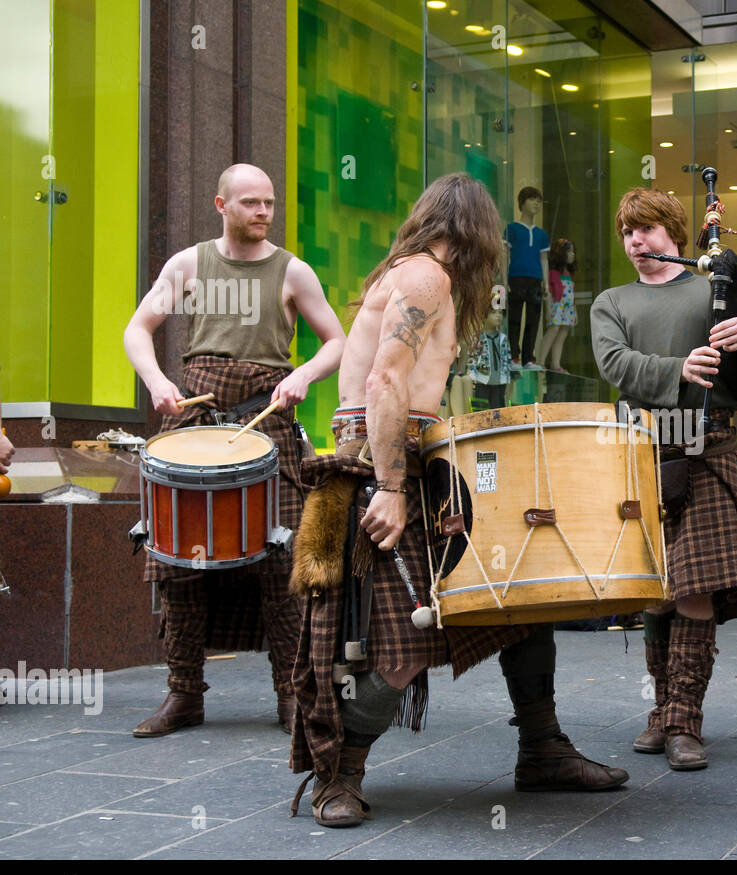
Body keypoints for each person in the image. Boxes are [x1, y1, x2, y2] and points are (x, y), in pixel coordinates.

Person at [289, 173, 626, 829]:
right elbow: (387, 378)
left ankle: (542, 748)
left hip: (412, 460)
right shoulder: (426, 280)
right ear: (476, 232)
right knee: (397, 643)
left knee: (516, 602)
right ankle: (339, 772)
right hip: (382, 466)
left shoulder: (410, 271)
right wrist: (389, 488)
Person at [123, 163, 345, 737]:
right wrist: (157, 383)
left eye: (269, 202)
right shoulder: (189, 264)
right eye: (251, 202)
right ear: (221, 205)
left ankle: (293, 698)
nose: (264, 212)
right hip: (195, 428)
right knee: (180, 564)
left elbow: (336, 341)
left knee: (281, 567)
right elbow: (137, 329)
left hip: (266, 427)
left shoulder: (294, 271)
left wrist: (304, 376)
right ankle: (184, 696)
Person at [590, 188, 737, 770]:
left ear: (675, 232)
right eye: (628, 233)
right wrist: (677, 368)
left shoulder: (714, 285)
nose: (636, 242)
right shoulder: (611, 301)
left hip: (707, 446)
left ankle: (684, 720)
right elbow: (614, 363)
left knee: (695, 585)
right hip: (639, 454)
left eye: (647, 229)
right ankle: (662, 710)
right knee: (657, 590)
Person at [503, 186, 549, 370]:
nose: (536, 203)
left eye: (538, 200)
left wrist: (545, 281)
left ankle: (529, 358)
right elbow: (504, 254)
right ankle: (513, 356)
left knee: (533, 319)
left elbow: (544, 259)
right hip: (515, 277)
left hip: (535, 279)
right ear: (522, 203)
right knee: (514, 318)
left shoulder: (541, 234)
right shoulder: (512, 229)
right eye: (532, 199)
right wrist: (504, 280)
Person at [534, 238, 576, 372]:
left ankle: (555, 364)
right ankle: (540, 361)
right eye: (569, 252)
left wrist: (574, 310)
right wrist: (548, 308)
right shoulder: (552, 274)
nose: (572, 255)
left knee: (563, 332)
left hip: (567, 307)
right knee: (554, 329)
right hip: (557, 305)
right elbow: (548, 293)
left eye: (573, 252)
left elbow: (571, 294)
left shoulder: (568, 274)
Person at [466, 308, 512, 409]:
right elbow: (472, 358)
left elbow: (507, 358)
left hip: (499, 382)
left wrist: (508, 377)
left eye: (500, 313)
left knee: (498, 411)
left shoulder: (503, 338)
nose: (498, 316)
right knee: (481, 411)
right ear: (484, 316)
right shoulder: (478, 337)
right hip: (482, 381)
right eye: (493, 313)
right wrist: (472, 376)